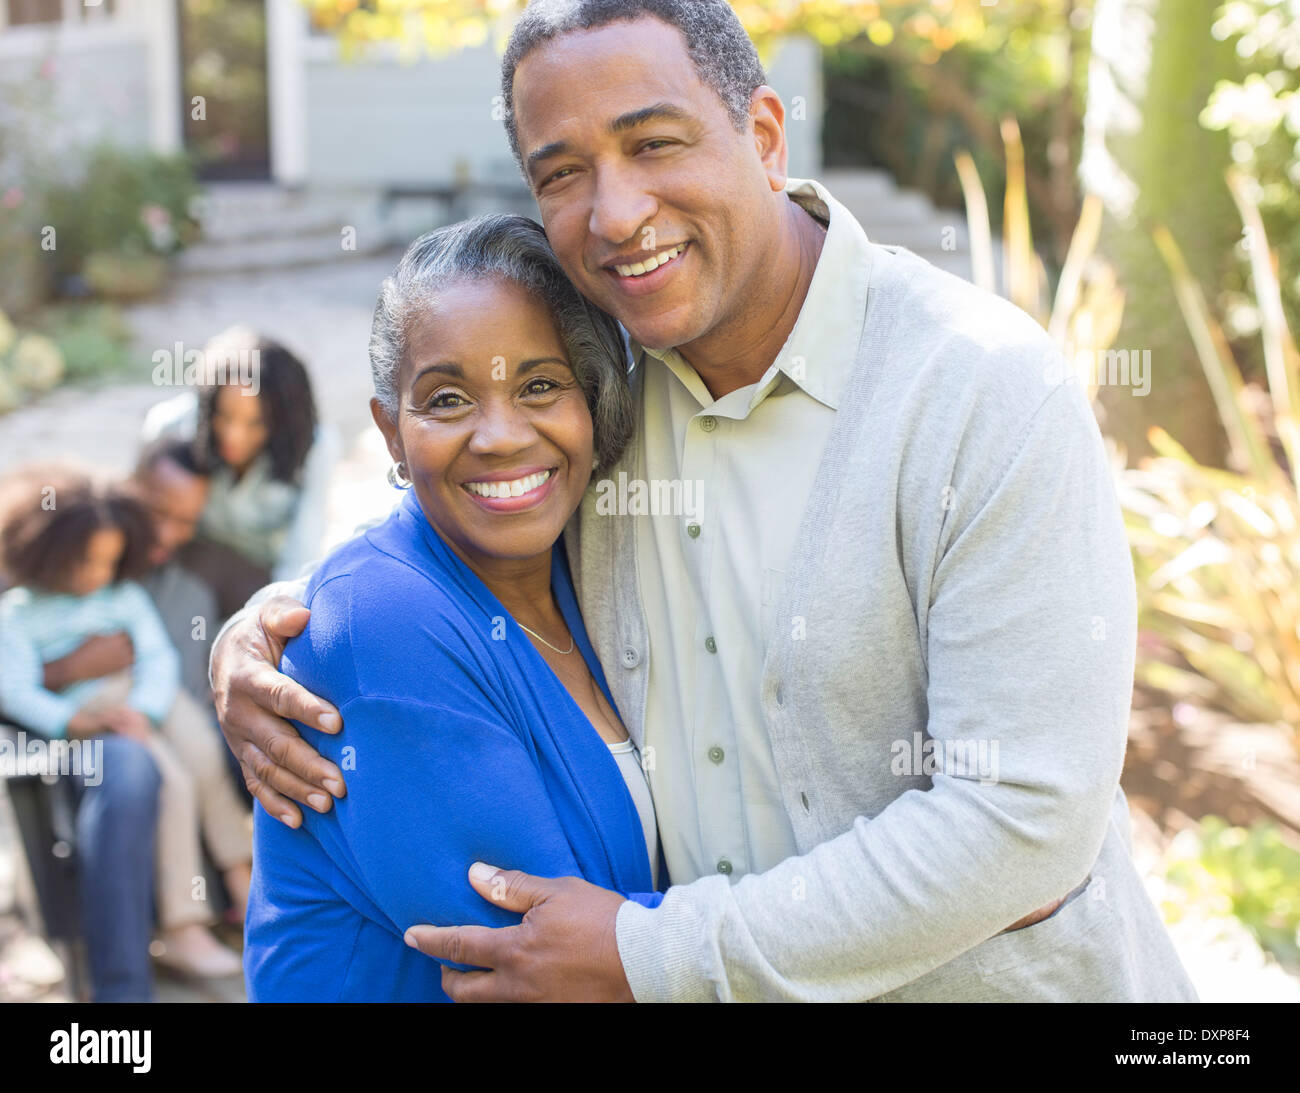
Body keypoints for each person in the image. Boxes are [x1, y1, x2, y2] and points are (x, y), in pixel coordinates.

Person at [211, 0, 1199, 1002]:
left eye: (654, 143)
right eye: (563, 173)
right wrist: (290, 619)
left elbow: (1019, 822)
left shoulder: (979, 389)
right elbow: (472, 518)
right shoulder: (601, 399)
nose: (617, 212)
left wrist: (651, 953)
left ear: (764, 135)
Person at [243, 214, 661, 1001]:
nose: (500, 436)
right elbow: (548, 969)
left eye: (539, 384)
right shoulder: (380, 623)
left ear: (591, 400)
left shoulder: (587, 575)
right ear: (392, 433)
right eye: (447, 398)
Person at [0, 465, 251, 980]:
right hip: (97, 717)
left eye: (108, 562)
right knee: (172, 786)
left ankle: (242, 876)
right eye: (85, 562)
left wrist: (148, 708)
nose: (97, 574)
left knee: (207, 754)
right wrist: (71, 719)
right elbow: (14, 688)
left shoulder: (124, 596)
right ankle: (186, 923)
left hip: (147, 700)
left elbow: (157, 656)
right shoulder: (19, 617)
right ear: (46, 552)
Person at [142, 326, 340, 620]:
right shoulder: (169, 429)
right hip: (187, 567)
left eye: (255, 423)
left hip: (262, 578)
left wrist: (267, 622)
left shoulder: (314, 448)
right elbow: (144, 520)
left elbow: (301, 555)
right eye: (223, 416)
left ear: (282, 420)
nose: (233, 436)